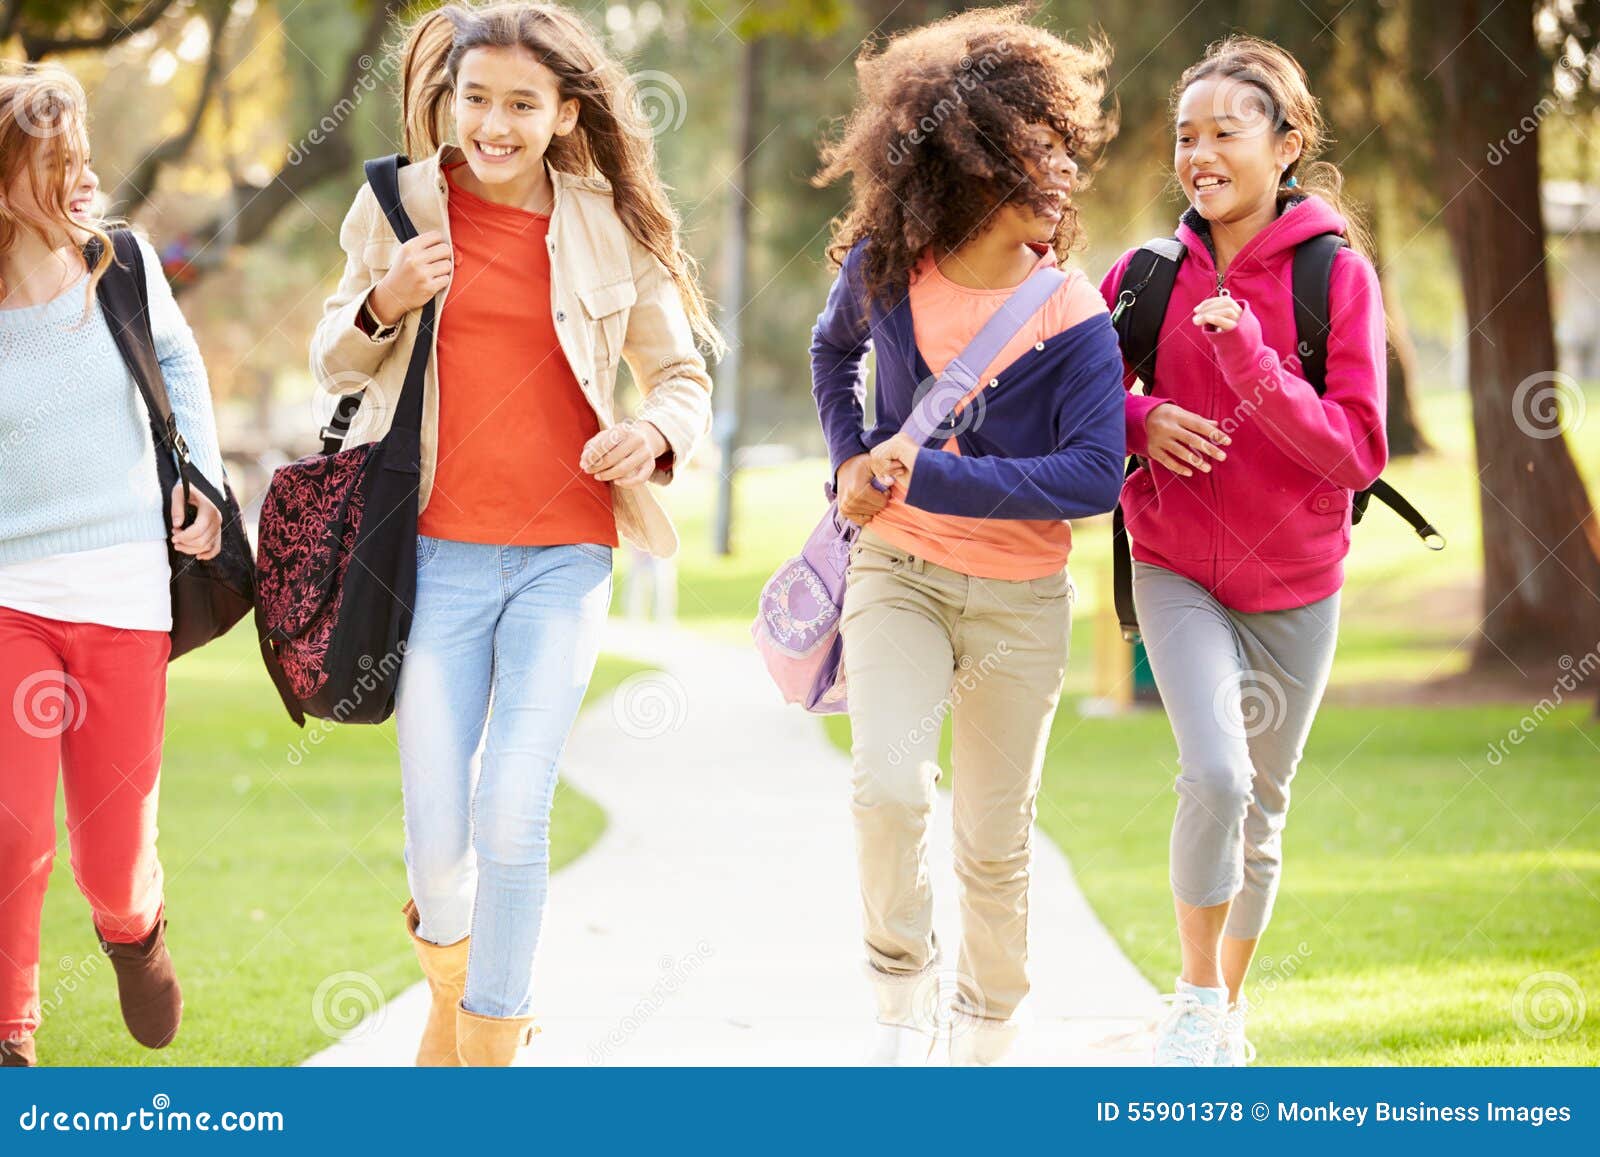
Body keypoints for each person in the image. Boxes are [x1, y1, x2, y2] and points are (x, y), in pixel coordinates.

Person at [309, 1, 719, 1067]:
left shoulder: (603, 220)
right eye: (475, 98)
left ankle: (490, 1058)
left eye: (521, 104)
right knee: (437, 842)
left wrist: (651, 433)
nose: (493, 122)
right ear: (448, 101)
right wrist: (383, 303)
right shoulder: (397, 207)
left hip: (565, 555)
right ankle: (452, 998)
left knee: (511, 813)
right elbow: (333, 361)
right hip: (434, 553)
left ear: (562, 111)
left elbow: (678, 376)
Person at [809, 7, 1125, 1066]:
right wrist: (851, 458)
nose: (1061, 168)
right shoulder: (891, 269)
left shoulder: (1072, 308)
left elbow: (1092, 474)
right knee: (887, 786)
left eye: (1061, 146)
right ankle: (901, 992)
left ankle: (990, 1022)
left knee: (993, 841)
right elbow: (828, 353)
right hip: (897, 570)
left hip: (1021, 597)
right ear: (971, 156)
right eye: (1036, 147)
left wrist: (926, 469)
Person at [1098, 35, 1387, 1066]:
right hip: (1174, 564)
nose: (1199, 152)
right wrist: (1142, 423)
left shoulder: (1334, 276)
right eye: (1185, 134)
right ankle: (1189, 997)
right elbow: (1073, 399)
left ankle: (1225, 1007)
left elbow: (1353, 450)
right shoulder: (1141, 274)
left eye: (1226, 131)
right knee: (1214, 774)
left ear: (1287, 143)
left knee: (1261, 807)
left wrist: (1247, 357)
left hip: (1297, 582)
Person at [0, 62, 227, 1067]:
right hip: (8, 593)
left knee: (110, 854)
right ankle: (10, 1032)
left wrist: (205, 481)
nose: (81, 183)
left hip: (122, 591)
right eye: (55, 168)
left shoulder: (122, 264)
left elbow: (180, 367)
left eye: (83, 160)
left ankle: (134, 925)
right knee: (10, 828)